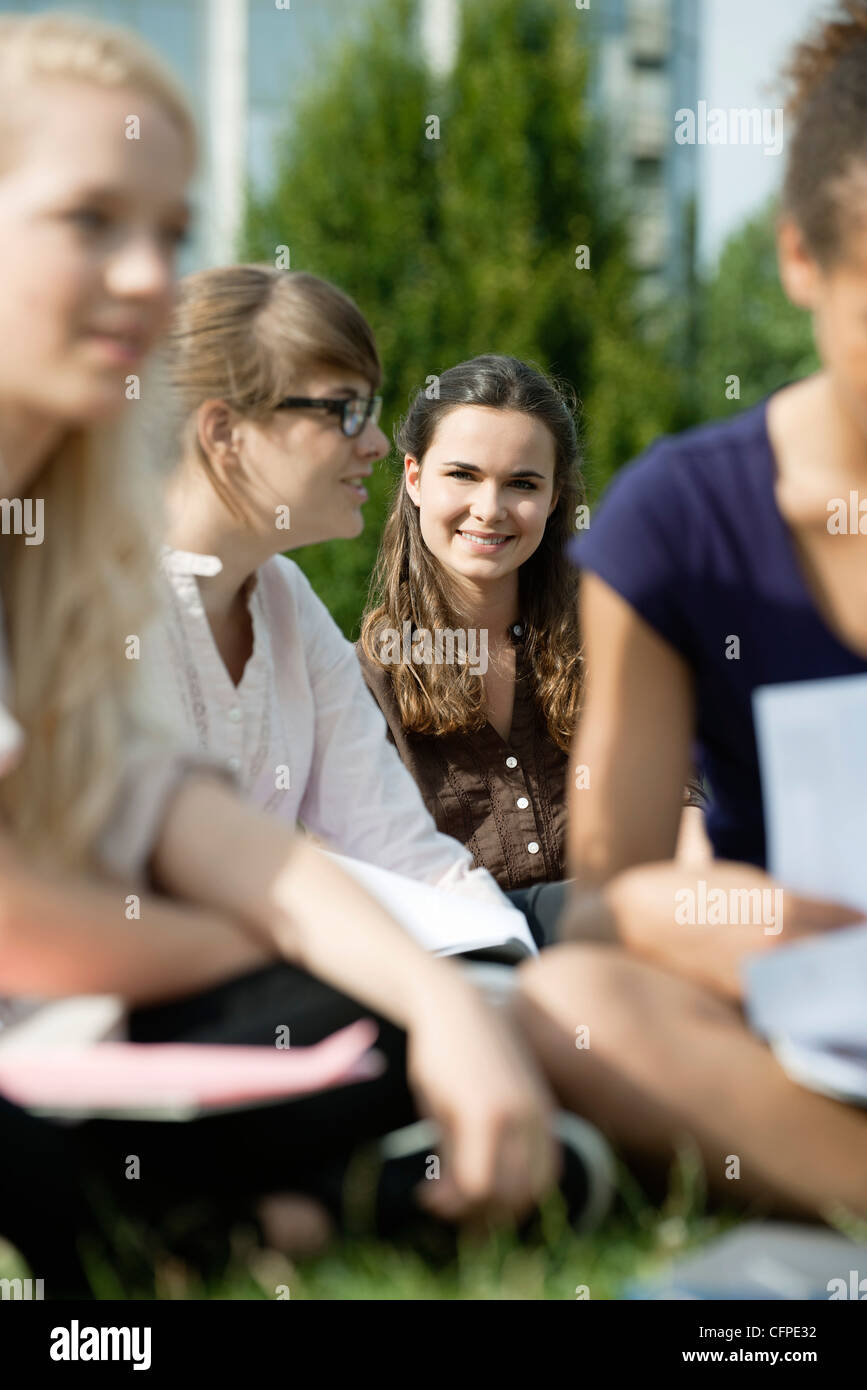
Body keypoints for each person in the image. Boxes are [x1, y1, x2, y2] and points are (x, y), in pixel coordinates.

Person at [0, 11, 559, 1292]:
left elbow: (242, 845)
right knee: (405, 1018)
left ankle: (289, 1219)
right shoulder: (118, 575)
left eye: (168, 232)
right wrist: (363, 976)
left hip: (145, 1009)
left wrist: (432, 991)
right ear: (221, 435)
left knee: (470, 1003)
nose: (147, 273)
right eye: (92, 221)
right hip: (73, 1026)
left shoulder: (77, 561)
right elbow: (22, 924)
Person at [514, 0, 867, 1220]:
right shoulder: (684, 518)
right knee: (571, 1005)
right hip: (816, 1038)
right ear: (801, 261)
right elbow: (610, 897)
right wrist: (736, 917)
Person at [145, 265, 517, 912]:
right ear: (224, 433)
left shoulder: (284, 600)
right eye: (344, 410)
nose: (377, 443)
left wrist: (509, 964)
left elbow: (401, 852)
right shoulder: (97, 606)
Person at [358, 355, 707, 943]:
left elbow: (687, 814)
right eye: (463, 475)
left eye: (522, 483)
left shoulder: (616, 642)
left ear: (554, 498)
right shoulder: (363, 685)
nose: (489, 509)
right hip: (468, 984)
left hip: (635, 960)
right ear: (415, 478)